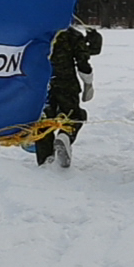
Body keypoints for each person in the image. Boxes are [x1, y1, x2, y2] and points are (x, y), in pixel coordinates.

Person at [36, 23, 99, 167]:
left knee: (42, 119)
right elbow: (83, 63)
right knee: (74, 115)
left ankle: (45, 159)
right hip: (67, 84)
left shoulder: (36, 33)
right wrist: (88, 84)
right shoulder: (72, 35)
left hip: (40, 84)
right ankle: (65, 135)